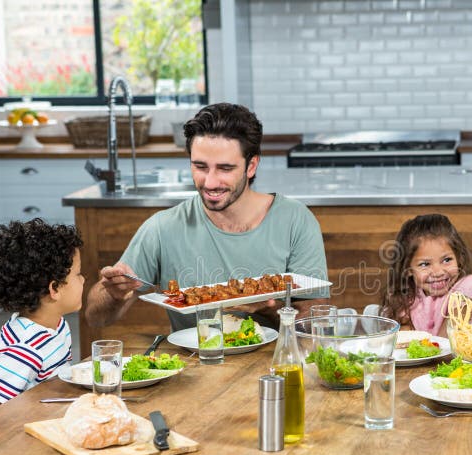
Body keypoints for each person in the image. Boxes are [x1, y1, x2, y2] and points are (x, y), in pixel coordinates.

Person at [85, 103, 328, 332]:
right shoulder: (163, 228)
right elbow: (95, 317)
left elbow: (317, 321)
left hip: (273, 368)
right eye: (200, 167)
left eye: (225, 168)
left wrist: (269, 311)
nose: (210, 182)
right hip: (193, 369)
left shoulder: (295, 220)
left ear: (251, 166)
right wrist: (115, 295)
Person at [0, 219, 84, 427]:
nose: (84, 280)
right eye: (78, 274)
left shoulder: (58, 325)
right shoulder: (23, 352)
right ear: (55, 289)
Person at [380, 213, 472, 336]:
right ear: (408, 268)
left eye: (447, 260)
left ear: (459, 258)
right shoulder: (406, 295)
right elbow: (399, 336)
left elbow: (450, 339)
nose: (438, 272)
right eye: (425, 264)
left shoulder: (467, 286)